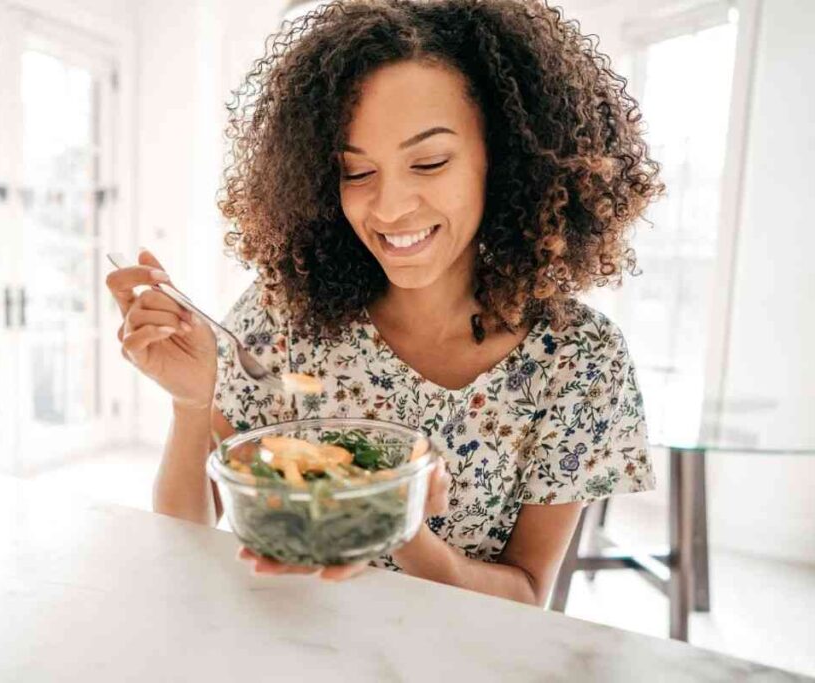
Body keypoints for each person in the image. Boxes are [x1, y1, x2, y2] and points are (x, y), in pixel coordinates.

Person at [105, 0, 663, 606]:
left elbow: (526, 594)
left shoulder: (578, 360)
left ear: (503, 160)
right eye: (356, 172)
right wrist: (192, 405)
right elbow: (188, 534)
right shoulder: (280, 316)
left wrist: (402, 527)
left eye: (429, 162)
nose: (390, 208)